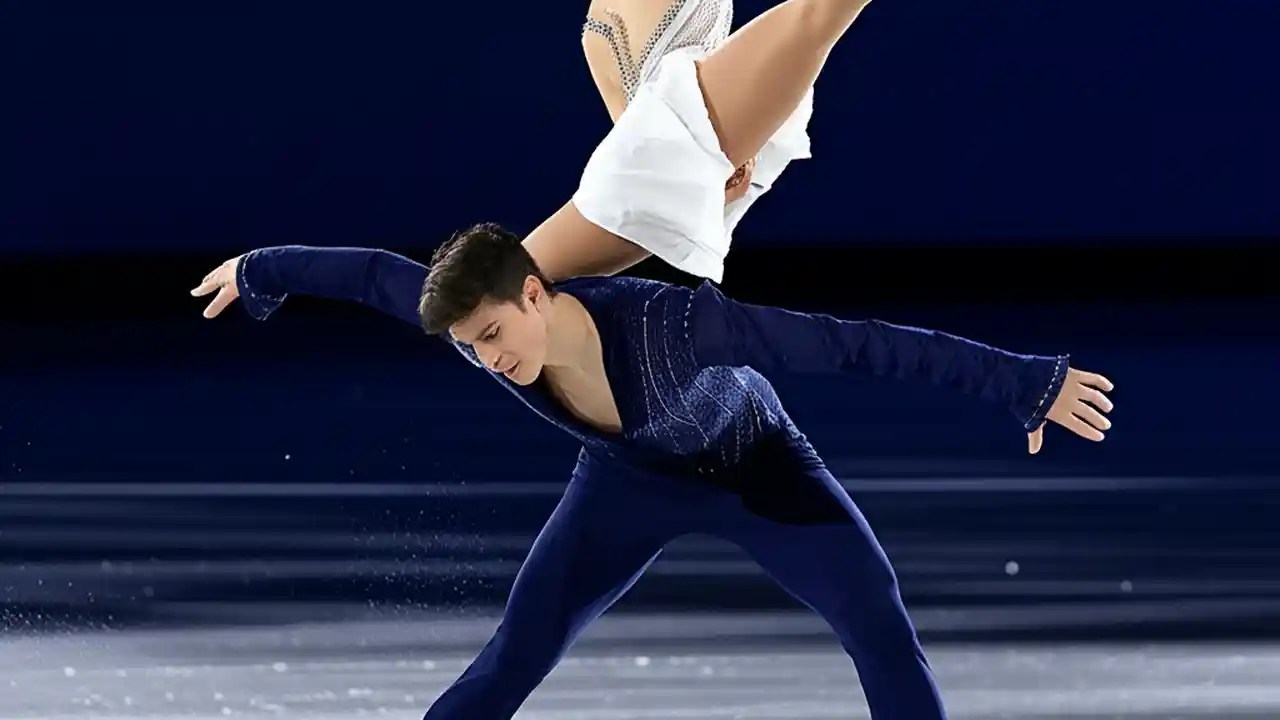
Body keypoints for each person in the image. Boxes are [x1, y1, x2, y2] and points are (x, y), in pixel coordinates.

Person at [190, 229, 1114, 719]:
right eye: (470, 348)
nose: (490, 358)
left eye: (495, 334)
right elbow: (370, 275)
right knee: (516, 653)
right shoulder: (486, 324)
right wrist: (260, 269)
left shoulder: (679, 328)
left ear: (536, 292)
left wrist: (1023, 383)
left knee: (879, 627)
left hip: (760, 470)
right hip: (626, 480)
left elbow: (857, 344)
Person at [519, 0, 841, 284]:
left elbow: (637, 135)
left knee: (511, 283)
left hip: (645, 161)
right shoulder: (595, 35)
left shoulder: (593, 33)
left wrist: (707, 175)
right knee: (509, 284)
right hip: (671, 141)